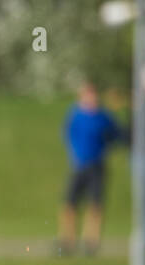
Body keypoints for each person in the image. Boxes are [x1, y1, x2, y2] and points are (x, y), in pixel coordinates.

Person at [57, 82, 125, 256]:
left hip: (97, 165)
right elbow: (67, 133)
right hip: (79, 165)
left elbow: (118, 135)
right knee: (69, 203)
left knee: (95, 204)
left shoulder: (103, 116)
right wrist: (74, 152)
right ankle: (67, 241)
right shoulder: (75, 115)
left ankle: (91, 242)